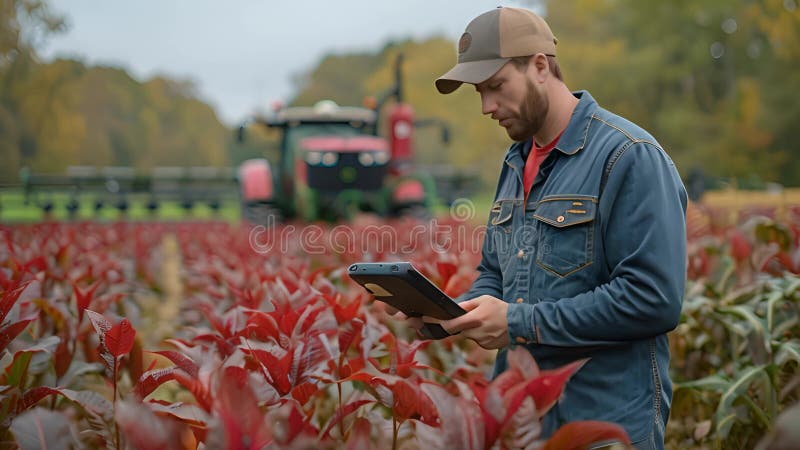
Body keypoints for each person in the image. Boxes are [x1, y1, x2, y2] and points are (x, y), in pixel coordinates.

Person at [390, 6, 687, 450]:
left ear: (540, 66)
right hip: (523, 420)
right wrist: (456, 311)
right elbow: (496, 270)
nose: (487, 106)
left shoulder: (628, 157)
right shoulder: (515, 163)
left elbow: (654, 299)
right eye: (479, 92)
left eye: (496, 86)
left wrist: (518, 322)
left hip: (605, 422)